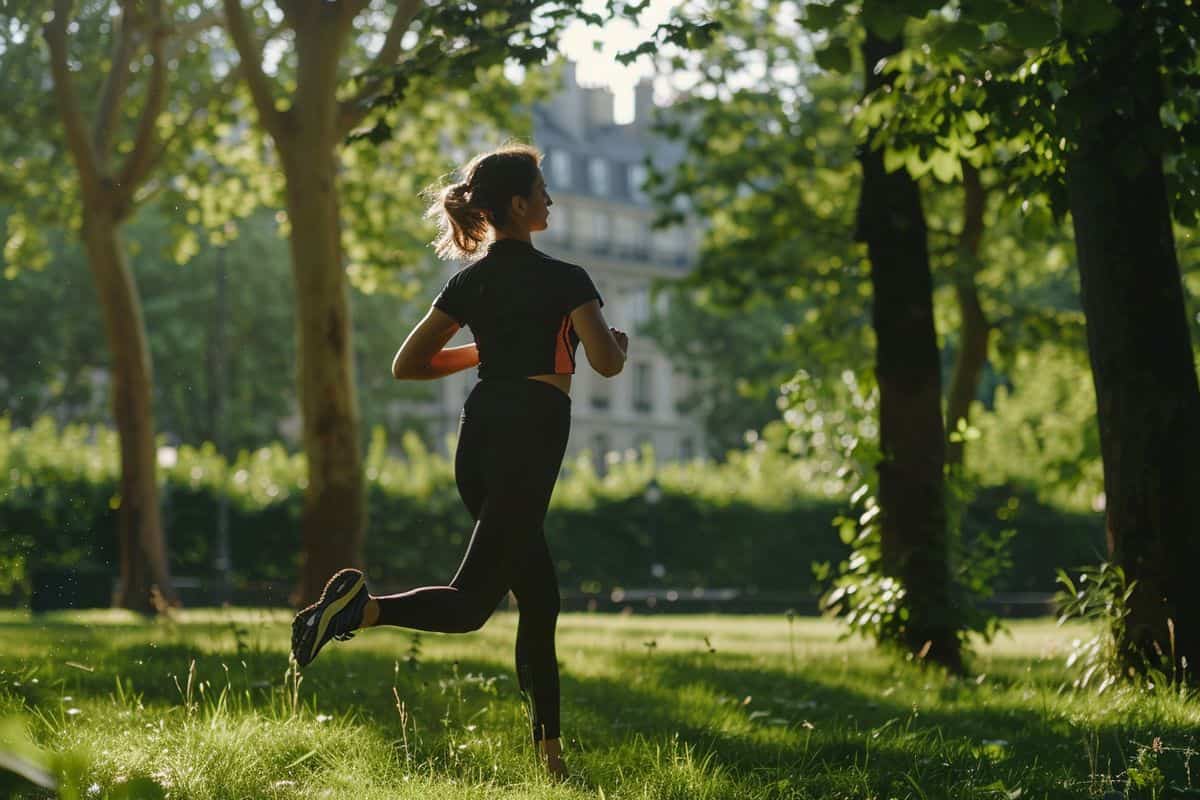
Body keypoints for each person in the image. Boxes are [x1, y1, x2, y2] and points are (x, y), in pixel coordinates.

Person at [289, 142, 628, 780]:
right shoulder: (567, 278)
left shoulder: (470, 280)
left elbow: (407, 364)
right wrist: (617, 345)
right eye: (544, 191)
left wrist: (486, 350)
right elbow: (606, 362)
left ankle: (551, 761)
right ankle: (361, 609)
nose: (552, 200)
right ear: (522, 206)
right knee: (472, 605)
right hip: (531, 435)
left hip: (479, 438)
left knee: (541, 598)